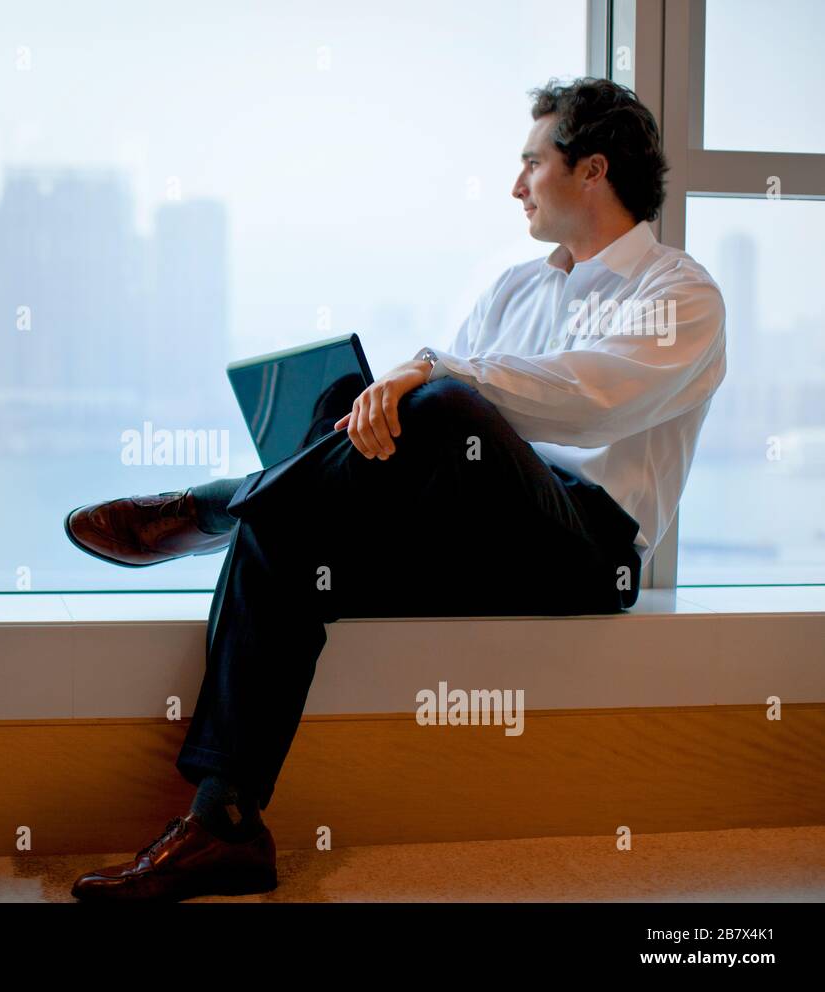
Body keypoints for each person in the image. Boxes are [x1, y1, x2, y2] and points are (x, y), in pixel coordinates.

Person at [65, 76, 727, 902]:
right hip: (476, 523)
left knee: (440, 396)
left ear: (592, 170)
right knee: (305, 503)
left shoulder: (679, 292)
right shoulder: (515, 287)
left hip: (585, 550)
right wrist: (391, 398)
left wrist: (431, 375)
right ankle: (224, 821)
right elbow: (435, 425)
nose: (515, 185)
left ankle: (213, 507)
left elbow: (590, 400)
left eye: (531, 163)